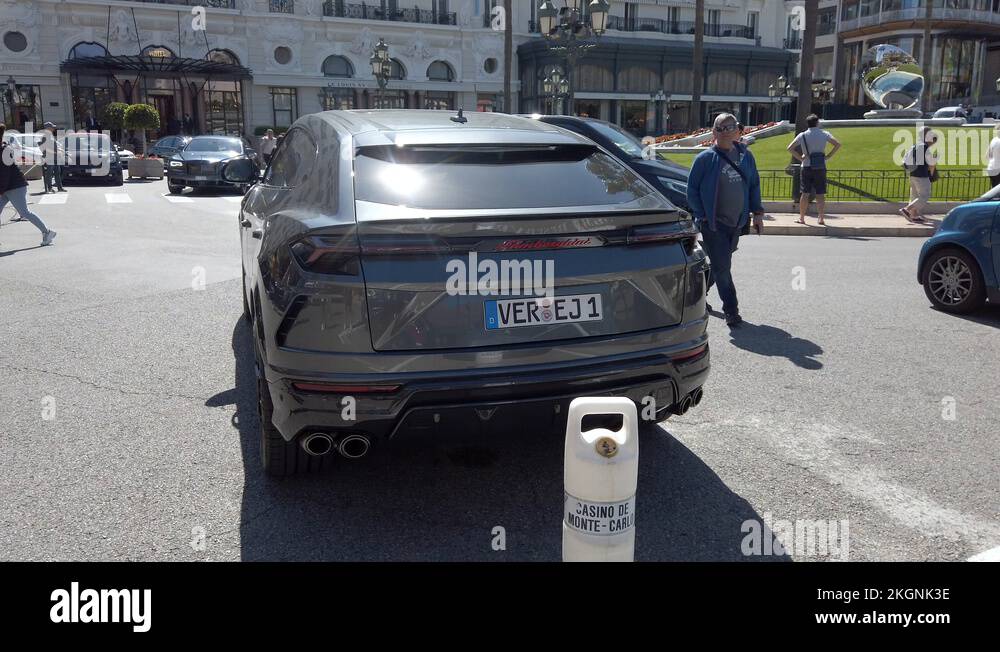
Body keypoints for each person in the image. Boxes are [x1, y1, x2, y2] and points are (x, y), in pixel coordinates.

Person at [686, 113, 765, 328]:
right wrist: (701, 215)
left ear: (739, 130)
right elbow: (691, 190)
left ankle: (696, 295)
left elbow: (754, 185)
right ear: (714, 133)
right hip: (713, 224)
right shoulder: (704, 159)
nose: (727, 131)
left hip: (737, 223)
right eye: (722, 128)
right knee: (723, 268)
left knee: (720, 264)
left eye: (731, 126)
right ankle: (731, 310)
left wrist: (758, 213)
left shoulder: (746, 157)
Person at [0, 123, 57, 246]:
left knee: (25, 212)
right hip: (7, 187)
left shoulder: (4, 150)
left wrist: (1, 190)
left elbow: (4, 174)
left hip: (15, 187)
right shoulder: (4, 149)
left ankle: (47, 232)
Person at [787, 114, 841, 226]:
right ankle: (821, 218)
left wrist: (800, 158)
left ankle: (802, 218)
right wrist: (828, 156)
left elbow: (790, 148)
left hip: (806, 166)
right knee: (820, 194)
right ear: (817, 123)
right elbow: (837, 144)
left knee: (805, 193)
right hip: (820, 166)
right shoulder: (824, 134)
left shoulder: (803, 135)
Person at [900, 126, 938, 223]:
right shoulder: (925, 148)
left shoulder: (915, 146)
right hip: (922, 175)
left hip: (912, 174)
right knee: (924, 195)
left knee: (914, 195)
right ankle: (907, 210)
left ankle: (914, 215)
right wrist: (932, 172)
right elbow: (931, 164)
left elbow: (904, 159)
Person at [39, 122, 65, 194]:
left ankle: (60, 187)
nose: (53, 128)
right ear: (47, 128)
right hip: (49, 157)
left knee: (57, 172)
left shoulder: (50, 135)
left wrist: (60, 150)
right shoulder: (45, 137)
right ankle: (49, 188)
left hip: (55, 157)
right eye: (52, 127)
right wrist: (55, 152)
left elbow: (55, 146)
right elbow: (45, 148)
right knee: (49, 173)